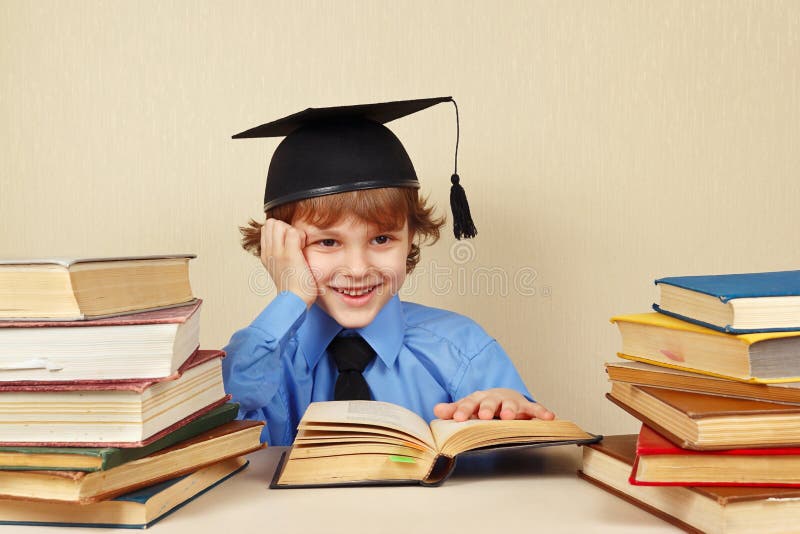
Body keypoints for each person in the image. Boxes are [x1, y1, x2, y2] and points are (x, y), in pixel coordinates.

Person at [223, 97, 553, 445]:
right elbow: (230, 406)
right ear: (281, 245)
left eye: (381, 239)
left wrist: (513, 418)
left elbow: (529, 457)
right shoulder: (267, 361)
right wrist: (291, 295)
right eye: (328, 242)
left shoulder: (462, 351)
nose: (357, 268)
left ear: (412, 237)